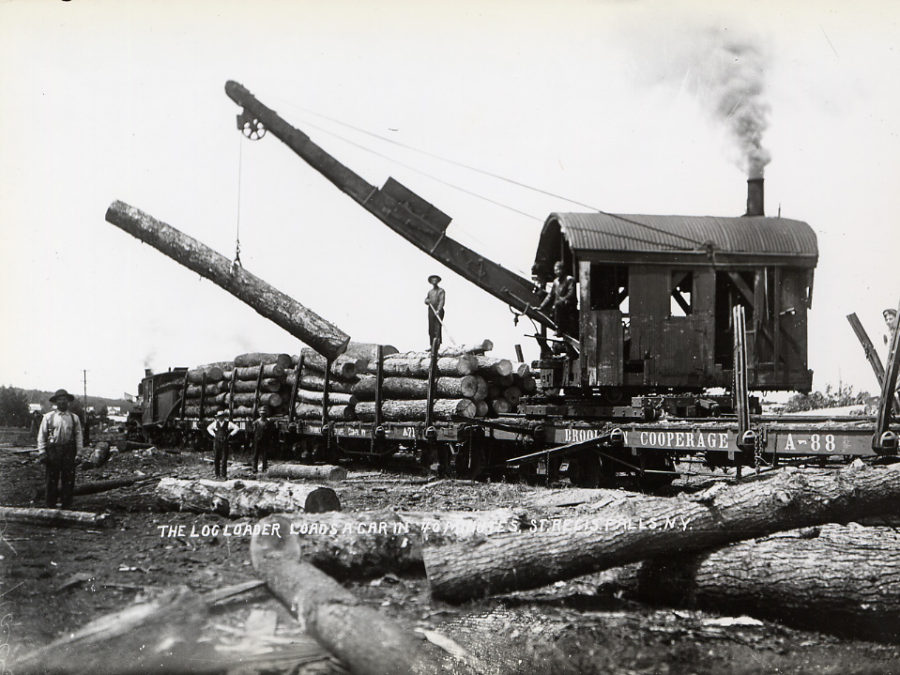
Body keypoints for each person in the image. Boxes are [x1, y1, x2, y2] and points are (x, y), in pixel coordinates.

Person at [36, 389, 83, 508]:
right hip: (53, 452)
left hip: (69, 451)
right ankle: (50, 506)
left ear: (68, 402)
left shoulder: (74, 418)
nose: (62, 402)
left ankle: (66, 505)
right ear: (56, 402)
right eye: (60, 400)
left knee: (68, 479)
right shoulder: (48, 417)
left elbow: (79, 437)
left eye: (65, 400)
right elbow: (42, 436)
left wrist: (79, 453)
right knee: (51, 479)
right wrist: (42, 452)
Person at [539, 261, 578, 336]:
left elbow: (571, 294)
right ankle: (558, 327)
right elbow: (550, 295)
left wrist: (561, 301)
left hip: (569, 305)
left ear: (563, 270)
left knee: (558, 305)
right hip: (559, 307)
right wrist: (541, 306)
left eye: (558, 270)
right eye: (555, 270)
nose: (556, 272)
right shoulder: (555, 281)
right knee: (555, 307)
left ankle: (559, 329)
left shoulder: (569, 279)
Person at [206, 410, 238, 479]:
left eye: (222, 417)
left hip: (224, 442)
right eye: (219, 417)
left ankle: (224, 475)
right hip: (217, 442)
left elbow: (236, 428)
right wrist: (214, 434)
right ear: (217, 417)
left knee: (224, 458)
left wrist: (230, 434)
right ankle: (217, 474)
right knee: (216, 458)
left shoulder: (228, 423)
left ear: (224, 417)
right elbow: (208, 428)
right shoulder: (215, 423)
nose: (220, 418)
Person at [251, 405, 277, 474]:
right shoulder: (256, 422)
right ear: (260, 414)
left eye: (264, 414)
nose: (263, 415)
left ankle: (264, 468)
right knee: (256, 454)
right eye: (261, 414)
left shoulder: (268, 422)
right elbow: (253, 432)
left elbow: (271, 431)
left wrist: (270, 439)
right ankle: (254, 468)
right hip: (257, 440)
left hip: (265, 440)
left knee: (265, 455)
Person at [424, 274, 446, 347]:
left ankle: (437, 346)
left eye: (435, 280)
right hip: (431, 311)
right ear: (431, 282)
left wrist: (438, 310)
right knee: (431, 329)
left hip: (438, 311)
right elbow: (426, 299)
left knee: (437, 328)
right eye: (432, 280)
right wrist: (426, 301)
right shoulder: (430, 292)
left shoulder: (441, 291)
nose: (434, 281)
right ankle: (431, 346)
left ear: (438, 281)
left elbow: (441, 301)